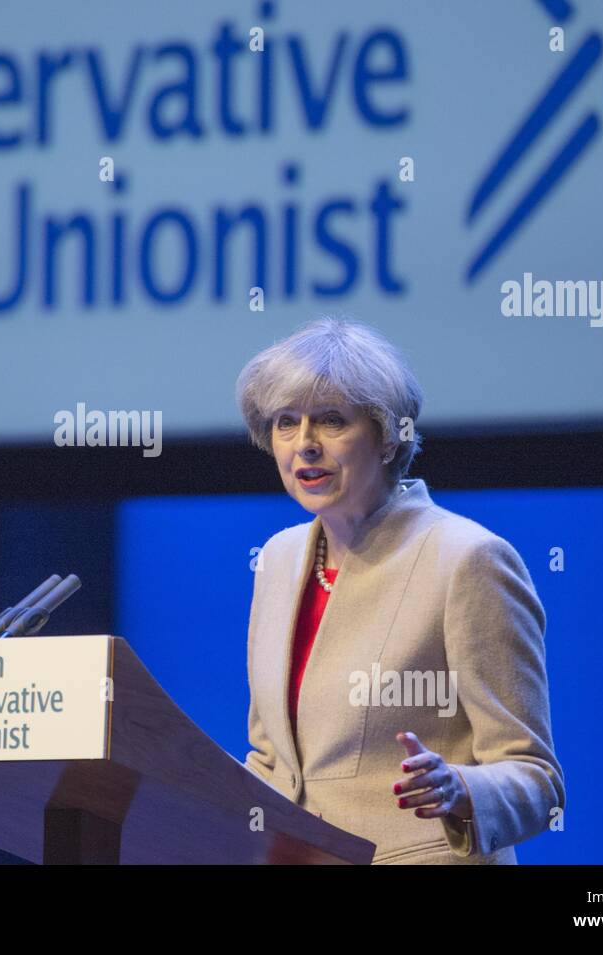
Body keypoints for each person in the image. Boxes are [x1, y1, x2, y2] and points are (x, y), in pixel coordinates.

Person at [236, 316, 564, 864]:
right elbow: (274, 761)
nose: (305, 445)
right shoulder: (278, 559)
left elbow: (536, 779)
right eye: (286, 423)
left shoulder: (467, 560)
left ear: (389, 438)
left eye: (332, 421)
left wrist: (460, 789)